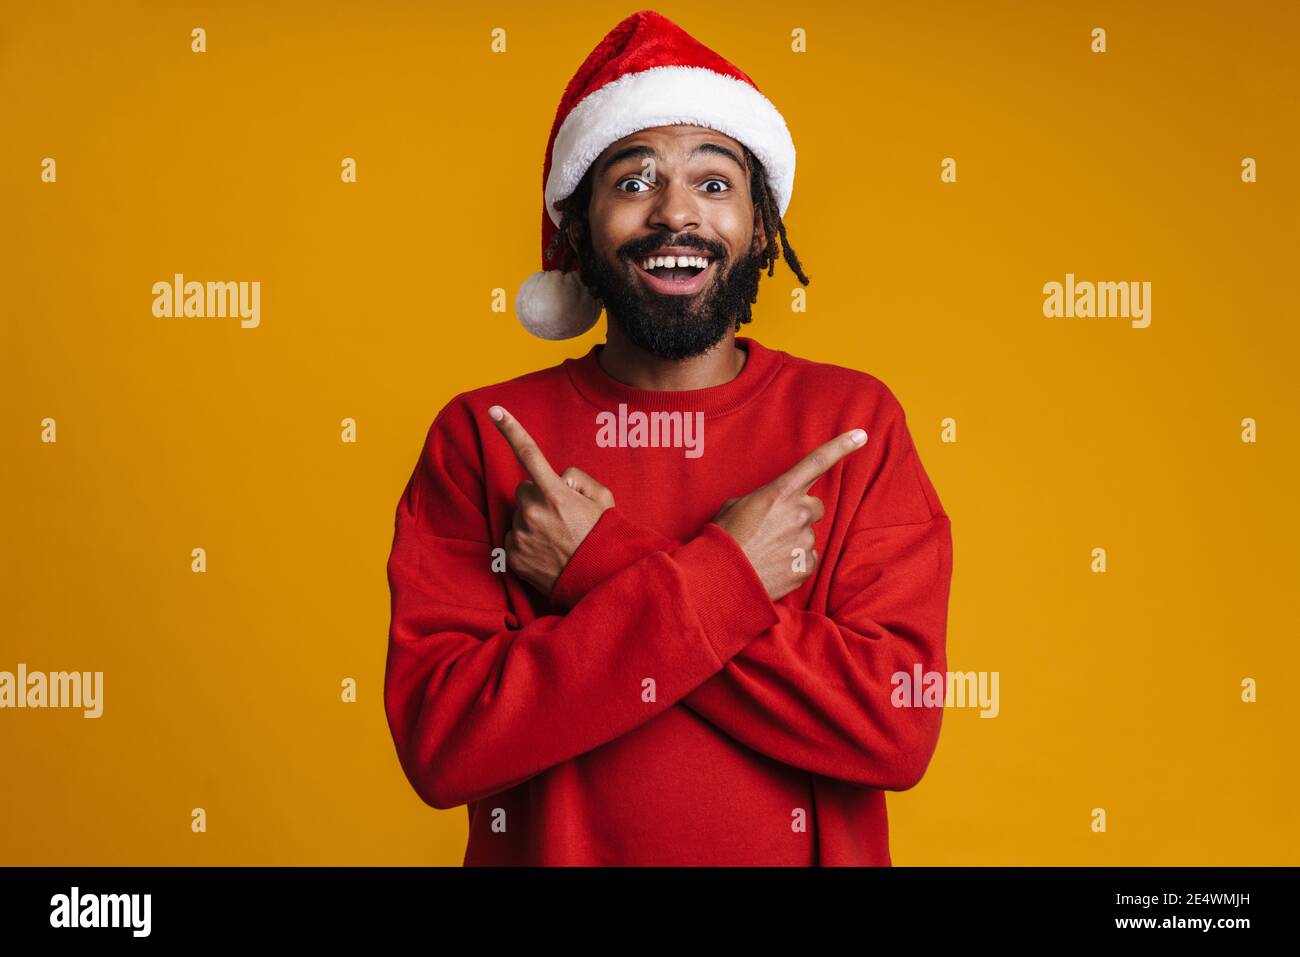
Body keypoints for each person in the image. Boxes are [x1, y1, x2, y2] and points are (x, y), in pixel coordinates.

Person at [383, 9, 953, 866]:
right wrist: (730, 578)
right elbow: (445, 741)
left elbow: (893, 729)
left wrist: (601, 565)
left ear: (762, 228)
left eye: (715, 184)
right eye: (634, 182)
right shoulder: (484, 438)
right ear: (578, 232)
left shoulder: (854, 425)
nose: (675, 214)